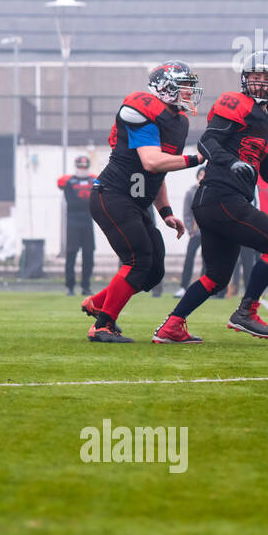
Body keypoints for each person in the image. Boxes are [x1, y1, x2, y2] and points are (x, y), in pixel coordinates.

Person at [154, 52, 268, 343]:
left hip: (221, 203)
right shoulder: (235, 102)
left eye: (267, 79)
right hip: (220, 196)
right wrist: (231, 162)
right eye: (256, 77)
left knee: (216, 277)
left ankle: (172, 326)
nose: (261, 83)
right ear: (245, 80)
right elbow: (207, 141)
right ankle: (246, 312)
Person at [82, 61, 203, 342]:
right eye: (183, 85)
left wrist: (166, 211)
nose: (188, 92)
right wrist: (197, 159)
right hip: (112, 196)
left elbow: (159, 171)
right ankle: (103, 325)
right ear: (164, 87)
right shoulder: (141, 108)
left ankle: (98, 303)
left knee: (153, 270)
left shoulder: (179, 122)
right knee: (138, 261)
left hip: (136, 203)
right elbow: (151, 162)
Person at [57, 155, 96, 295]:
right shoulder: (69, 181)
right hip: (73, 222)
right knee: (71, 254)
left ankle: (86, 285)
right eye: (80, 166)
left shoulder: (93, 180)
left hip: (87, 222)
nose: (82, 169)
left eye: (84, 167)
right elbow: (73, 202)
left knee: (88, 255)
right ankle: (70, 285)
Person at [174, 166, 205, 298]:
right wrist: (190, 229)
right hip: (195, 232)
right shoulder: (191, 192)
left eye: (205, 175)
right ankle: (183, 287)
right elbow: (187, 213)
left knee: (207, 260)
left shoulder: (212, 191)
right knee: (189, 258)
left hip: (209, 232)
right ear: (197, 176)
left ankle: (204, 288)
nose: (203, 177)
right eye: (201, 175)